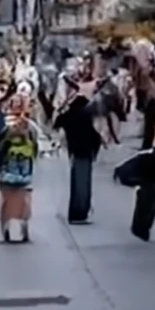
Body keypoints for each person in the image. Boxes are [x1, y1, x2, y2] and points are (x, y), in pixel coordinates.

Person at [0, 91, 39, 242]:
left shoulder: (13, 124)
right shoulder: (22, 125)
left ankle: (17, 228)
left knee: (17, 198)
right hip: (16, 165)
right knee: (15, 197)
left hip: (16, 166)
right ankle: (14, 229)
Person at [54, 81, 102, 224]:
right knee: (83, 182)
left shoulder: (70, 111)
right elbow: (94, 133)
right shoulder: (88, 110)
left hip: (74, 149)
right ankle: (80, 212)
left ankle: (76, 211)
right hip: (85, 150)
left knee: (77, 180)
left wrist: (64, 105)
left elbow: (57, 122)